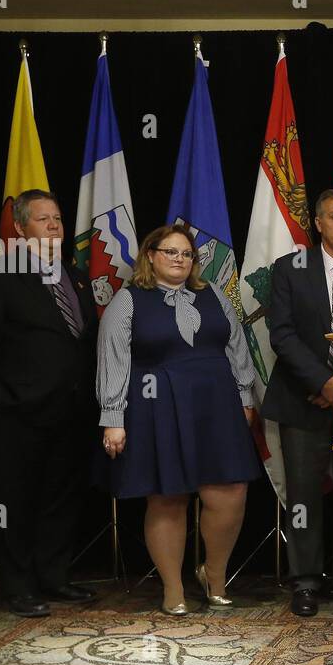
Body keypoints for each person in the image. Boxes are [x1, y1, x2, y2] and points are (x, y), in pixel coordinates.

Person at [98, 224, 263, 616]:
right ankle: (173, 587)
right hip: (157, 406)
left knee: (230, 492)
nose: (179, 259)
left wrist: (245, 395)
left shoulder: (214, 296)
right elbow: (113, 360)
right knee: (168, 496)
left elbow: (236, 346)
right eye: (170, 252)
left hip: (217, 405)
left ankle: (214, 574)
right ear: (150, 256)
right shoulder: (129, 300)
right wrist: (112, 417)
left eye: (186, 254)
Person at [0, 189, 99, 617]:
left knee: (61, 497)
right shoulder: (1, 274)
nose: (54, 226)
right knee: (16, 502)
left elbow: (82, 341)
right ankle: (19, 585)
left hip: (73, 410)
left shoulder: (73, 275)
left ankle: (53, 577)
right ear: (20, 228)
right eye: (43, 219)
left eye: (57, 218)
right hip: (19, 412)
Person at [264, 190, 333, 617]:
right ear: (318, 223)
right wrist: (323, 381)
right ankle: (306, 581)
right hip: (302, 398)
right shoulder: (289, 268)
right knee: (305, 497)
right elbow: (282, 335)